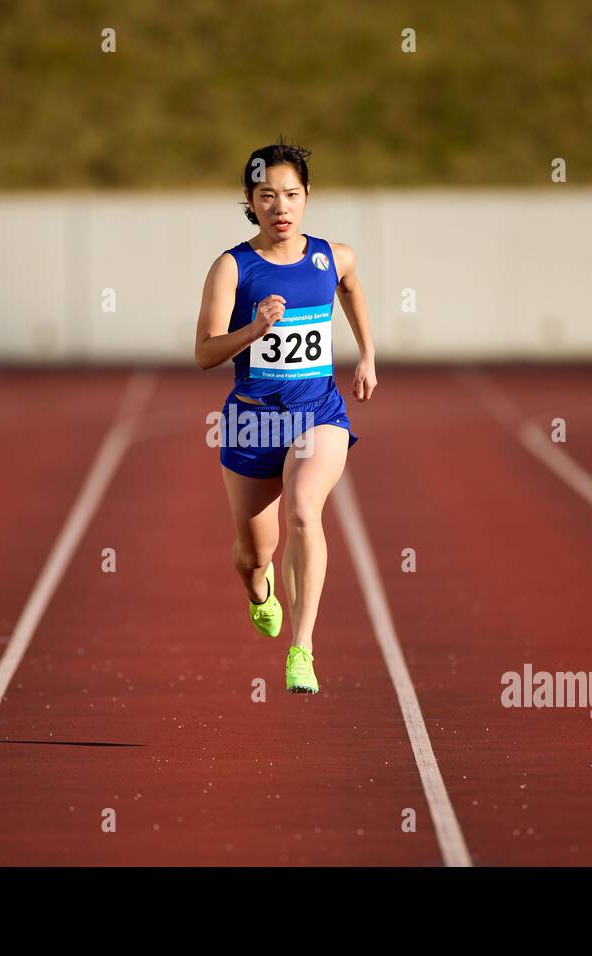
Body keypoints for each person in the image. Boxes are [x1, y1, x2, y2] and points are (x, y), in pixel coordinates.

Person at [194, 138, 377, 694]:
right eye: (267, 196)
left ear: (306, 198)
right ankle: (262, 592)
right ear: (251, 201)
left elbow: (350, 286)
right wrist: (254, 330)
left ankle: (304, 649)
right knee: (254, 554)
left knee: (303, 511)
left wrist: (367, 352)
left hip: (317, 412)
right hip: (253, 423)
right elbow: (203, 352)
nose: (281, 207)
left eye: (291, 195)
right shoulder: (233, 267)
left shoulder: (330, 254)